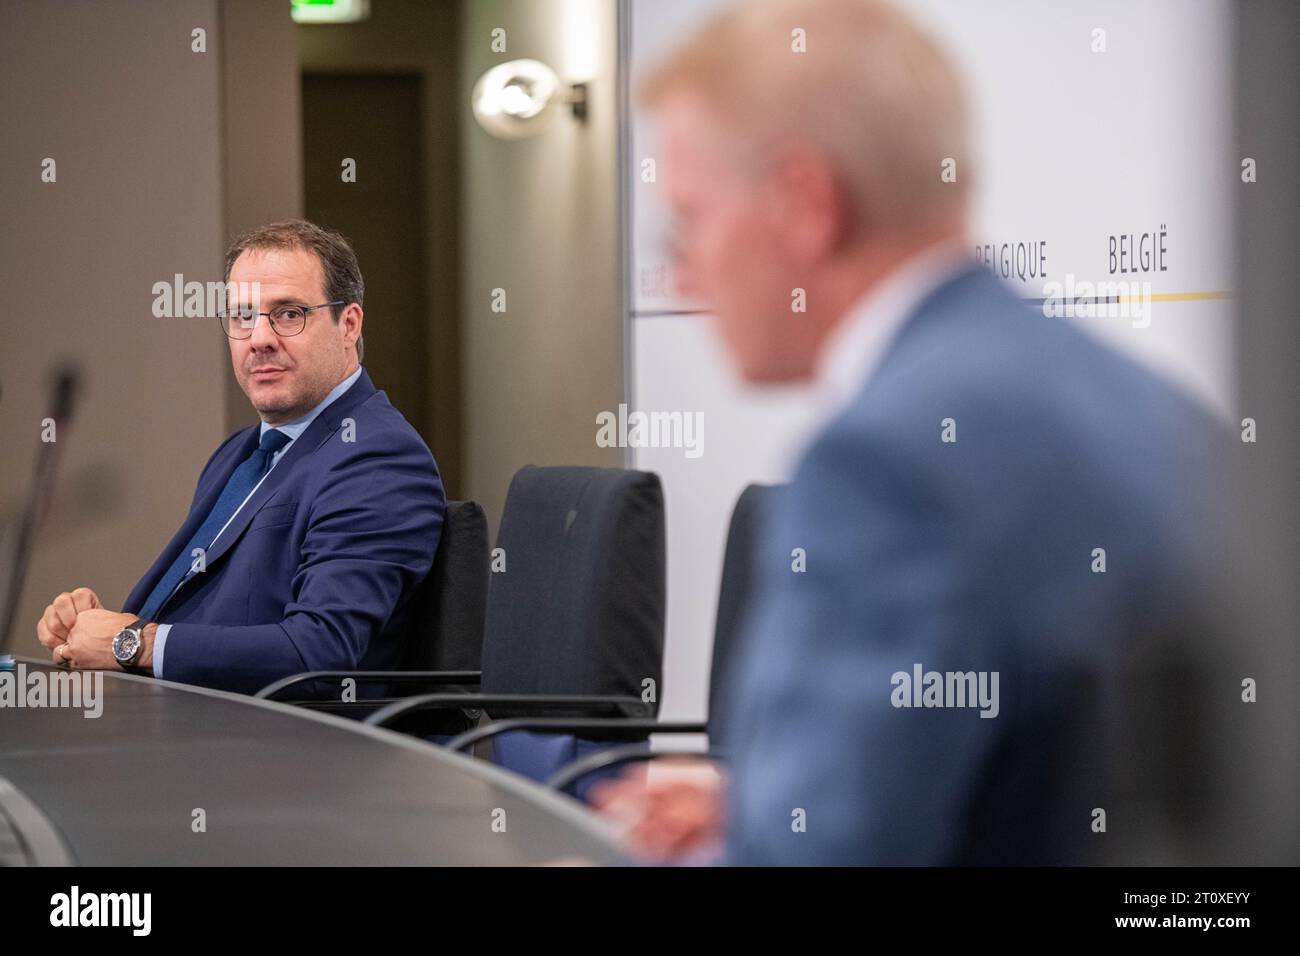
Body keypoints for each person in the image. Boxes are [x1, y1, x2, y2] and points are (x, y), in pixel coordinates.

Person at [594, 0, 1226, 864]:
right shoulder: (1154, 407)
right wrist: (772, 802)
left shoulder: (887, 464)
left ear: (804, 204)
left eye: (690, 219)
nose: (680, 269)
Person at [35, 219, 445, 695]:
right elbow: (192, 618)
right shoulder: (240, 453)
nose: (259, 338)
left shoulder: (378, 457)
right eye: (242, 316)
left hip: (281, 755)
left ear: (348, 324)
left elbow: (319, 653)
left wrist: (133, 643)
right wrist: (93, 627)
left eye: (289, 314)